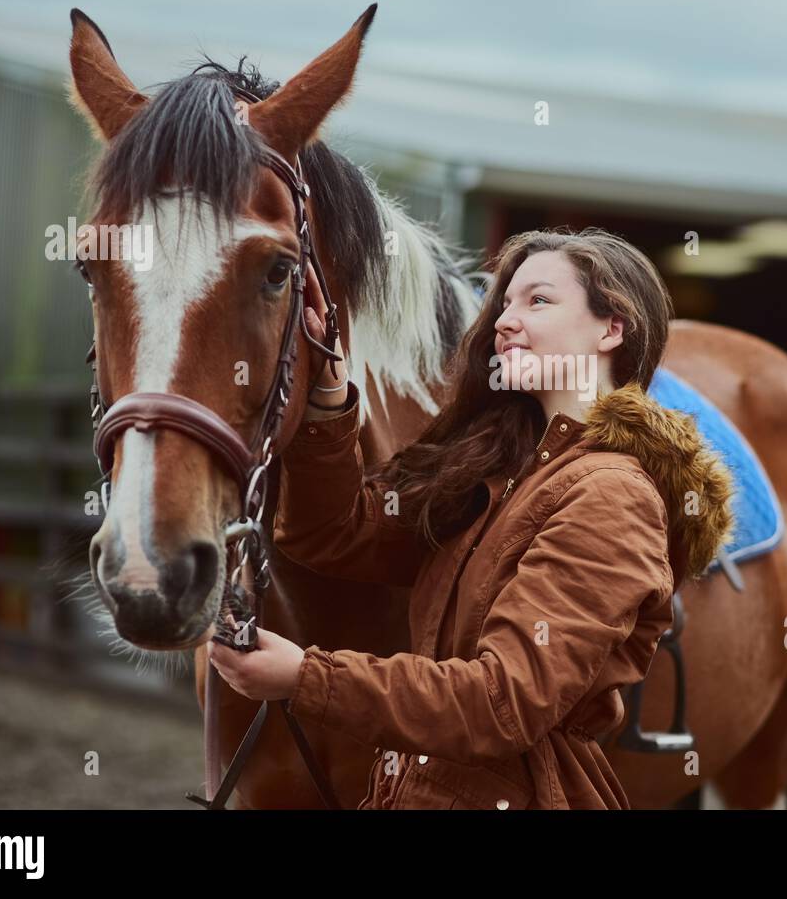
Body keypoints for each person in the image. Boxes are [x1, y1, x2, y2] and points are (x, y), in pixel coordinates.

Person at [210, 228, 734, 808]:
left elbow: (501, 704)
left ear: (612, 329)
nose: (505, 320)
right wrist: (329, 401)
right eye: (505, 302)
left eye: (538, 300)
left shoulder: (612, 495)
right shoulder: (502, 474)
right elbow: (330, 535)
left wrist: (305, 678)